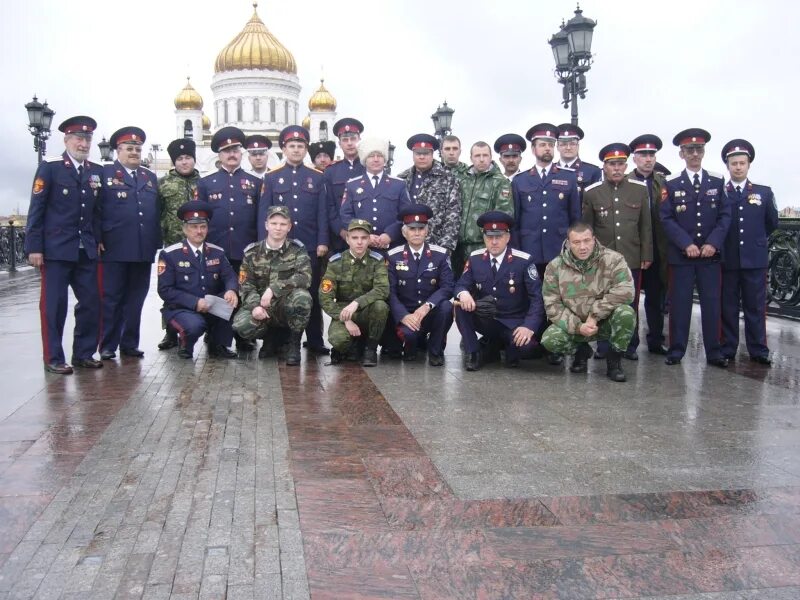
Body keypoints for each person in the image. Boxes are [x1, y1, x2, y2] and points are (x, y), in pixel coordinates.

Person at [26, 115, 104, 374]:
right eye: (79, 139)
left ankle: (83, 353)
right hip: (56, 250)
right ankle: (53, 357)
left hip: (85, 249)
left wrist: (98, 240)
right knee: (54, 306)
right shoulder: (51, 167)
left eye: (87, 139)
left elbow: (96, 212)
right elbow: (37, 209)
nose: (84, 144)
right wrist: (34, 247)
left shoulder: (94, 171)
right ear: (67, 139)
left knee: (92, 302)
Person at [661, 128, 731, 367]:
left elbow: (725, 216)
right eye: (689, 150)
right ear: (681, 154)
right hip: (682, 256)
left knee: (712, 304)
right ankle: (677, 349)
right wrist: (686, 243)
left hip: (710, 256)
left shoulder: (717, 180)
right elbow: (666, 218)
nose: (694, 154)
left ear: (703, 152)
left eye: (698, 149)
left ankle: (714, 351)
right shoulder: (670, 183)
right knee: (680, 305)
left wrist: (713, 242)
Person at [511, 123, 580, 366]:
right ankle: (533, 341)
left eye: (551, 145)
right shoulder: (520, 181)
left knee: (557, 298)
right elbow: (516, 222)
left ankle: (554, 345)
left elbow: (576, 220)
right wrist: (517, 253)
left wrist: (573, 251)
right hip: (529, 252)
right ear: (533, 149)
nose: (547, 149)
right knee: (532, 296)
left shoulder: (568, 178)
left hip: (557, 252)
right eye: (543, 144)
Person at [260, 125, 329, 355]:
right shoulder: (271, 177)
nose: (297, 150)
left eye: (301, 146)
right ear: (283, 148)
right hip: (280, 247)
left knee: (311, 294)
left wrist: (322, 242)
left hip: (309, 246)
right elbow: (265, 214)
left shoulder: (317, 178)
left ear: (306, 148)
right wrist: (266, 245)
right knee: (276, 291)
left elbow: (322, 212)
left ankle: (315, 339)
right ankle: (275, 340)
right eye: (292, 146)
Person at [582, 143, 652, 360]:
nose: (617, 168)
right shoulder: (592, 193)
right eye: (612, 164)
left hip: (631, 258)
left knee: (630, 303)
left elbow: (645, 225)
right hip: (602, 261)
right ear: (604, 166)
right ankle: (603, 346)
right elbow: (587, 229)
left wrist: (646, 255)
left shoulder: (639, 189)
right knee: (602, 302)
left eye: (621, 164)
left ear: (626, 165)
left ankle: (629, 346)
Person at [541, 222, 636, 382]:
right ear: (568, 243)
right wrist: (579, 327)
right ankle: (581, 352)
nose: (582, 247)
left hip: (604, 322)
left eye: (587, 241)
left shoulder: (613, 259)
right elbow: (552, 306)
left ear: (594, 239)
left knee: (626, 314)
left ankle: (614, 361)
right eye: (576, 242)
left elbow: (626, 291)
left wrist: (595, 315)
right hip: (575, 326)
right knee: (549, 340)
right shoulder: (555, 267)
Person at [197, 126, 262, 351]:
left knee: (245, 294)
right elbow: (201, 221)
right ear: (219, 155)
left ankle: (244, 336)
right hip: (218, 249)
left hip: (246, 249)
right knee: (219, 295)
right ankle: (219, 341)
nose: (232, 154)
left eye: (235, 149)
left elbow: (260, 218)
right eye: (226, 151)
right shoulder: (206, 183)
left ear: (241, 152)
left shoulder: (254, 183)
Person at [98, 126, 161, 360]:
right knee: (112, 298)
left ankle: (129, 343)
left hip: (143, 249)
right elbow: (97, 210)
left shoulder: (149, 177)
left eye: (137, 149)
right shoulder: (105, 174)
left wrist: (155, 243)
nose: (134, 152)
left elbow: (154, 212)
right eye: (129, 148)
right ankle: (107, 345)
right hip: (114, 248)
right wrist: (98, 238)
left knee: (136, 299)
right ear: (118, 150)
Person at [454, 211, 543, 371]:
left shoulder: (523, 261)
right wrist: (464, 293)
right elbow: (461, 284)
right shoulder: (475, 258)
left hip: (513, 322)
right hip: (487, 319)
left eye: (499, 237)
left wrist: (528, 326)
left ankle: (498, 346)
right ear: (484, 238)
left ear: (507, 237)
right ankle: (473, 352)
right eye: (489, 237)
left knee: (526, 348)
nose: (494, 242)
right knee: (460, 306)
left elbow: (537, 298)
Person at [720, 139, 779, 365]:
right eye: (734, 163)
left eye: (742, 163)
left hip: (755, 260)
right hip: (729, 260)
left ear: (748, 165)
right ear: (728, 166)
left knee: (755, 307)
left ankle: (758, 350)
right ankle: (728, 347)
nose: (738, 167)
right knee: (729, 307)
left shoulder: (764, 192)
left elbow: (772, 222)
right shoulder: (721, 193)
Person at [157, 202, 239, 359]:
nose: (199, 231)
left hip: (210, 305)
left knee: (233, 301)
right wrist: (195, 302)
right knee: (195, 325)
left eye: (202, 227)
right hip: (182, 308)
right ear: (185, 229)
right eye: (194, 227)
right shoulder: (170, 254)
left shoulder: (217, 252)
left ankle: (218, 344)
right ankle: (185, 345)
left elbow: (229, 276)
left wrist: (231, 290)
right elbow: (165, 290)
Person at [233, 205, 312, 366]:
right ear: (266, 225)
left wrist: (274, 289)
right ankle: (271, 339)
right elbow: (245, 285)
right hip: (262, 305)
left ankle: (293, 344)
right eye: (274, 223)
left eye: (283, 224)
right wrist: (255, 306)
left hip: (284, 304)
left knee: (303, 298)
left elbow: (305, 277)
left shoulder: (297, 250)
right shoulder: (251, 252)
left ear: (289, 227)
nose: (278, 228)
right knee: (242, 325)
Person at [387, 205, 455, 366]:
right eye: (412, 229)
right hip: (407, 313)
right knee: (410, 336)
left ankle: (435, 351)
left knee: (446, 307)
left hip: (430, 312)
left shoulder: (440, 255)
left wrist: (427, 306)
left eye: (421, 228)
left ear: (427, 231)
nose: (416, 232)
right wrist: (404, 316)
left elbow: (448, 287)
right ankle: (412, 346)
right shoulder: (393, 256)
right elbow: (390, 291)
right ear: (404, 232)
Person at [320, 219, 389, 366]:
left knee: (381, 306)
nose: (359, 242)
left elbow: (382, 289)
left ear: (369, 239)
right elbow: (325, 298)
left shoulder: (377, 261)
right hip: (344, 312)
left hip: (367, 310)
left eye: (364, 238)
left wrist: (357, 303)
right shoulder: (336, 262)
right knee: (338, 341)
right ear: (347, 239)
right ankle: (350, 347)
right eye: (355, 238)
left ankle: (370, 349)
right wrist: (346, 319)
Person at [157, 138, 201, 350]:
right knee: (171, 290)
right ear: (175, 162)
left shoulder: (203, 182)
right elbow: (156, 213)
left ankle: (207, 330)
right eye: (180, 159)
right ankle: (170, 333)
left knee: (200, 287)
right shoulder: (164, 183)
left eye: (188, 158)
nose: (184, 162)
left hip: (198, 245)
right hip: (172, 247)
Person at [627, 134, 669, 355]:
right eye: (643, 155)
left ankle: (655, 340)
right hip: (633, 249)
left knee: (656, 298)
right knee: (629, 300)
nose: (648, 159)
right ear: (634, 158)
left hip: (658, 249)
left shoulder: (662, 182)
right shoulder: (624, 181)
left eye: (651, 155)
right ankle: (629, 342)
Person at [340, 137, 410, 254]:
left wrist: (390, 234)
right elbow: (345, 216)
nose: (376, 159)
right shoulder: (352, 185)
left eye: (380, 156)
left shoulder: (399, 184)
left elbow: (406, 215)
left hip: (393, 248)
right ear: (364, 160)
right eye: (371, 156)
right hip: (362, 249)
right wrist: (364, 235)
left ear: (385, 159)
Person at [452, 141, 513, 277]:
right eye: (477, 155)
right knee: (459, 288)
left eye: (485, 155)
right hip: (459, 247)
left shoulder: (500, 182)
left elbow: (503, 214)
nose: (481, 159)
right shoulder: (462, 180)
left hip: (483, 246)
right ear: (471, 158)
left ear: (491, 157)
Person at [397, 133, 461, 253]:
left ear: (432, 154)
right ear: (413, 155)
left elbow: (453, 216)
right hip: (405, 247)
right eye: (418, 153)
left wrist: (445, 249)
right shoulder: (402, 179)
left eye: (426, 153)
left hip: (436, 245)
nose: (422, 157)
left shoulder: (447, 178)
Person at [323, 118, 365, 252]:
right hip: (340, 238)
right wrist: (340, 230)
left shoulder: (369, 167)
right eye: (345, 140)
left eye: (353, 139)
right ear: (339, 143)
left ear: (359, 140)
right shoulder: (331, 171)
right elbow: (329, 205)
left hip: (367, 236)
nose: (350, 143)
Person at [555, 123, 602, 194]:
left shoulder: (593, 172)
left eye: (572, 144)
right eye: (564, 144)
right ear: (557, 147)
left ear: (578, 146)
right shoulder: (549, 171)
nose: (568, 147)